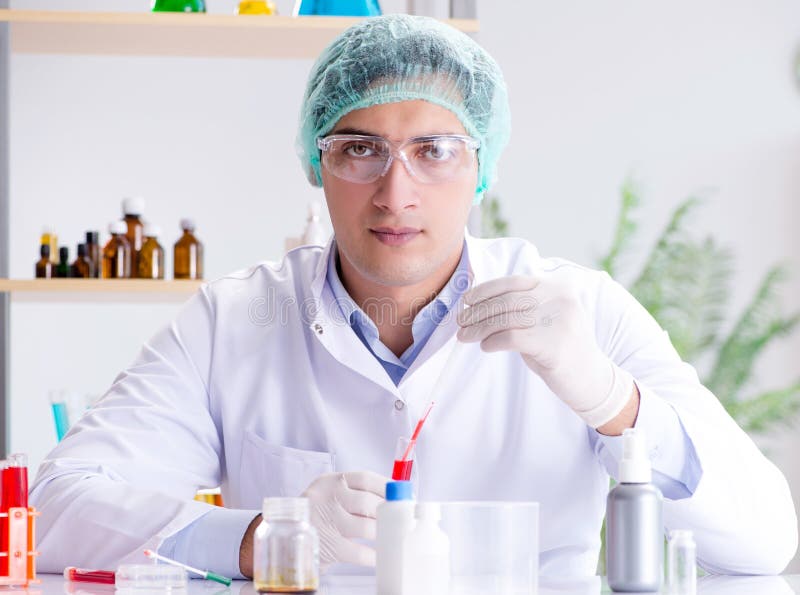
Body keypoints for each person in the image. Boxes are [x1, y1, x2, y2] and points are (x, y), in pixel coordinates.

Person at [31, 14, 797, 579]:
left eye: (434, 150)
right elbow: (60, 506)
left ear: (482, 166)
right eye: (360, 149)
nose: (396, 192)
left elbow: (765, 537)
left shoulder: (582, 313)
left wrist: (613, 401)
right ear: (315, 163)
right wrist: (263, 534)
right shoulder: (237, 319)